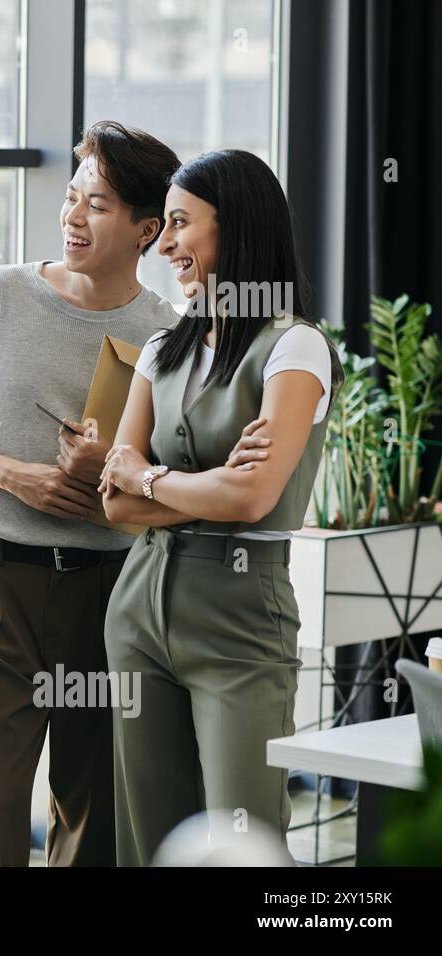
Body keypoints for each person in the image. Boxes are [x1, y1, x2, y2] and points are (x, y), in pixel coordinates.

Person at [0, 121, 182, 866]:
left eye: (96, 204)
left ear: (147, 229)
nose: (72, 216)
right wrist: (15, 474)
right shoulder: (2, 295)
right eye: (71, 198)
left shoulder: (168, 337)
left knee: (92, 805)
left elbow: (162, 481)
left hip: (110, 595)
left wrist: (107, 466)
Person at [99, 148, 342, 866]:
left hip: (241, 618)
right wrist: (179, 487)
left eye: (180, 224)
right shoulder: (158, 350)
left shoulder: (293, 347)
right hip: (139, 608)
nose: (165, 243)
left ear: (231, 228)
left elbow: (254, 495)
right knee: (151, 841)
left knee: (247, 842)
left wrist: (151, 480)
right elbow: (114, 501)